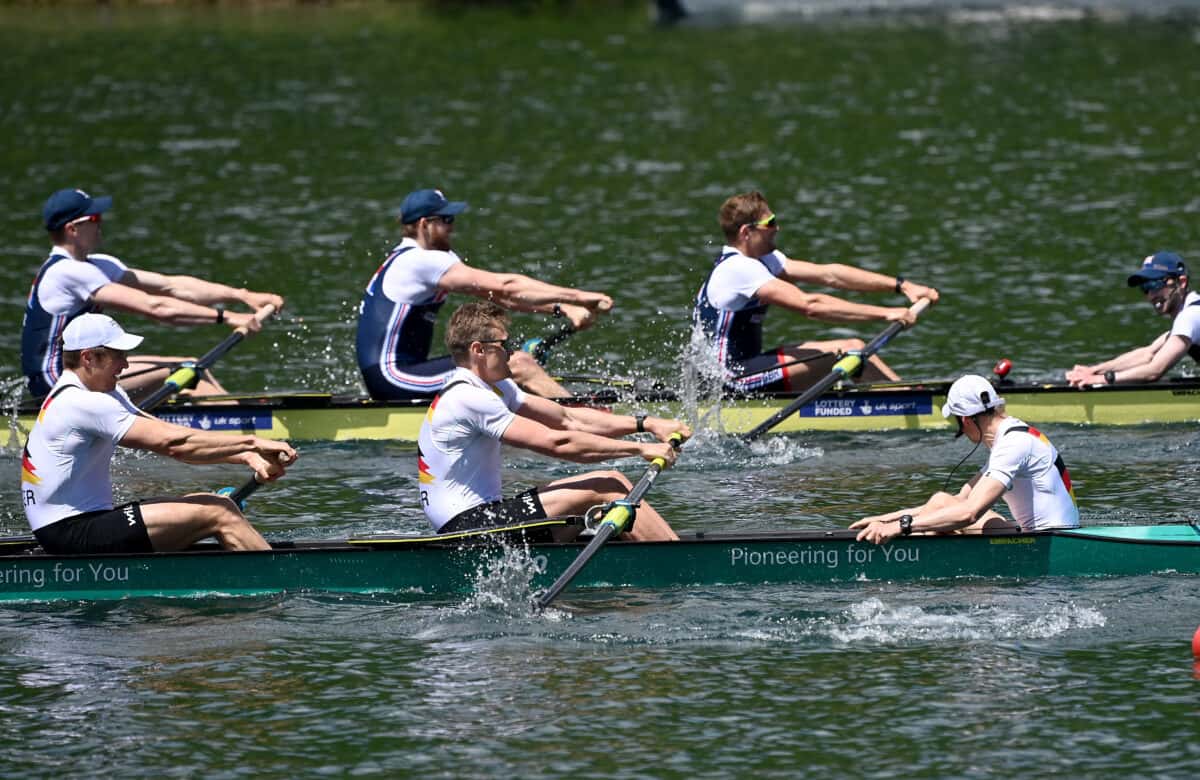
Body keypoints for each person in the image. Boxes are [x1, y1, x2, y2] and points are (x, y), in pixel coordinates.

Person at [20, 313, 298, 554]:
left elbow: (173, 436)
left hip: (83, 523)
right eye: (118, 355)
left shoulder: (102, 392)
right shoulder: (82, 403)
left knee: (214, 502)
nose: (126, 365)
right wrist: (252, 441)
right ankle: (287, 587)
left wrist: (248, 456)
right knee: (220, 512)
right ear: (89, 357)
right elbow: (173, 444)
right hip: (71, 532)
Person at [417, 301, 690, 542]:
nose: (512, 353)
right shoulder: (468, 397)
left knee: (600, 498)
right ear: (478, 350)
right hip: (468, 530)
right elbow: (558, 442)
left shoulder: (497, 387)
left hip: (487, 517)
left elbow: (567, 419)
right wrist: (641, 449)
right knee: (609, 485)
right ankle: (683, 563)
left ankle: (655, 553)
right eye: (505, 345)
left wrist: (647, 424)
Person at [21, 188, 285, 402]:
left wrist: (242, 295)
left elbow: (172, 286)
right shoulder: (68, 272)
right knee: (185, 371)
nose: (101, 224)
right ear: (72, 229)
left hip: (86, 368)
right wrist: (228, 318)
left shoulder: (98, 265)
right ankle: (244, 423)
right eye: (94, 220)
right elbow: (155, 307)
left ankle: (229, 413)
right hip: (57, 383)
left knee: (190, 366)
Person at [356, 188, 614, 400]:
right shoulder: (419, 261)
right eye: (446, 220)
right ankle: (583, 421)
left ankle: (558, 415)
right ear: (425, 224)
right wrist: (580, 297)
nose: (453, 227)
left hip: (404, 373)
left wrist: (561, 309)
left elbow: (503, 298)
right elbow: (507, 286)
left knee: (503, 361)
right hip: (394, 378)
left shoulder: (423, 259)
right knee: (518, 364)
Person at [693, 191, 939, 394]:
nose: (777, 228)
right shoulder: (739, 268)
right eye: (770, 223)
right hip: (728, 379)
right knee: (851, 349)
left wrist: (902, 285)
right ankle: (915, 403)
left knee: (851, 348)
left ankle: (905, 396)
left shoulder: (765, 260)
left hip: (748, 367)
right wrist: (886, 314)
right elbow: (810, 305)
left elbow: (830, 275)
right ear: (747, 232)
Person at [850, 374, 1079, 544]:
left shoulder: (1013, 445)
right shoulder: (1013, 434)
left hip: (1050, 544)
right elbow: (959, 499)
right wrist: (884, 520)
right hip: (1047, 538)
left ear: (965, 420)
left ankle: (912, 569)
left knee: (944, 508)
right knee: (942, 502)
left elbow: (969, 513)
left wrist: (900, 527)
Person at [1066, 252, 1200, 388]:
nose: (1151, 296)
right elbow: (1147, 354)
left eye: (1155, 284)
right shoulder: (1190, 316)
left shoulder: (1190, 317)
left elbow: (1154, 371)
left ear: (1181, 282)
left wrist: (1099, 380)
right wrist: (1093, 371)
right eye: (1145, 288)